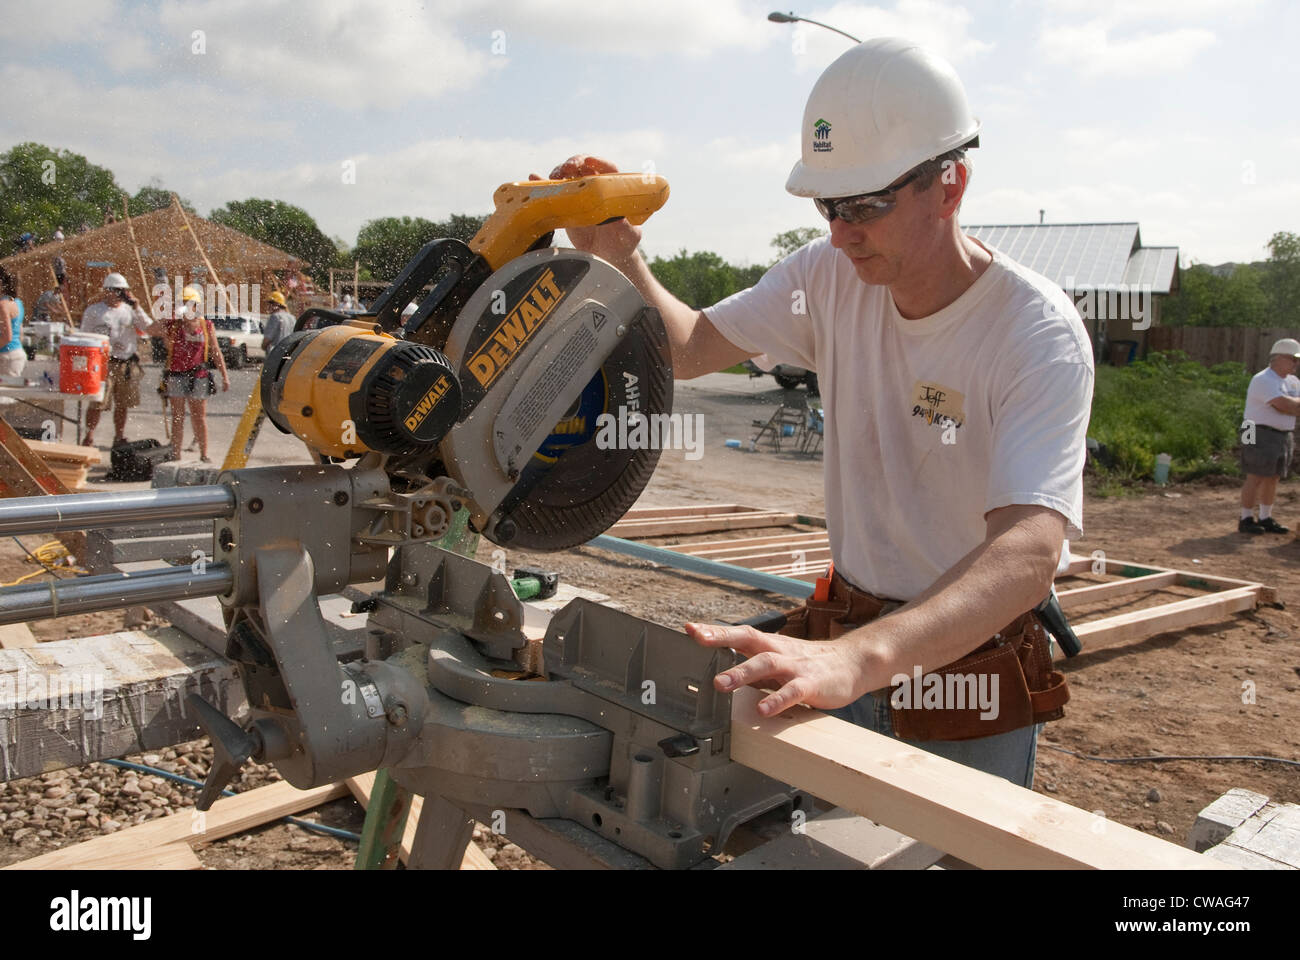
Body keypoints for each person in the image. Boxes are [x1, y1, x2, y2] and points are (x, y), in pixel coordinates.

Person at [552, 38, 1094, 787]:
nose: (840, 233)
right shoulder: (829, 275)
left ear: (950, 185)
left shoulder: (1033, 332)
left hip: (966, 664)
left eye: (866, 205)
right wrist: (618, 253)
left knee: (965, 847)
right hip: (848, 637)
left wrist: (858, 658)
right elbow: (688, 347)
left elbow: (1028, 553)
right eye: (828, 207)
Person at [80, 273, 158, 447]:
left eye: (122, 290)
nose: (119, 294)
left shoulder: (130, 310)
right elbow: (84, 336)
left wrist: (137, 307)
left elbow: (149, 328)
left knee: (122, 403)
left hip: (125, 362)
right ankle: (89, 434)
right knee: (98, 402)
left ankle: (119, 436)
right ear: (107, 291)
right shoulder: (94, 311)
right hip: (103, 362)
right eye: (116, 290)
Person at [1238, 338, 1300, 534]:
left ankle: (1265, 517)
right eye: (1293, 359)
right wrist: (1291, 405)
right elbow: (1284, 405)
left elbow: (1293, 407)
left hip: (1281, 433)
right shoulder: (1263, 379)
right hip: (1255, 429)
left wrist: (1291, 405)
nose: (1296, 364)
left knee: (1273, 477)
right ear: (1279, 358)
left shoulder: (1293, 382)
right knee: (1254, 475)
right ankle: (1246, 518)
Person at [161, 286, 230, 462]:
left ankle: (203, 453)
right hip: (176, 374)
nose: (185, 306)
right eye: (182, 303)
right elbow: (153, 329)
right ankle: (176, 453)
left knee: (199, 417)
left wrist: (224, 375)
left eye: (189, 303)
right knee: (178, 416)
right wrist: (169, 315)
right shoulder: (174, 324)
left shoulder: (206, 325)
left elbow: (215, 351)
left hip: (198, 375)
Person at [0, 267, 25, 377]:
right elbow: (20, 335)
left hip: (7, 357)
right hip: (17, 354)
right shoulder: (17, 302)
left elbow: (7, 337)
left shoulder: (3, 305)